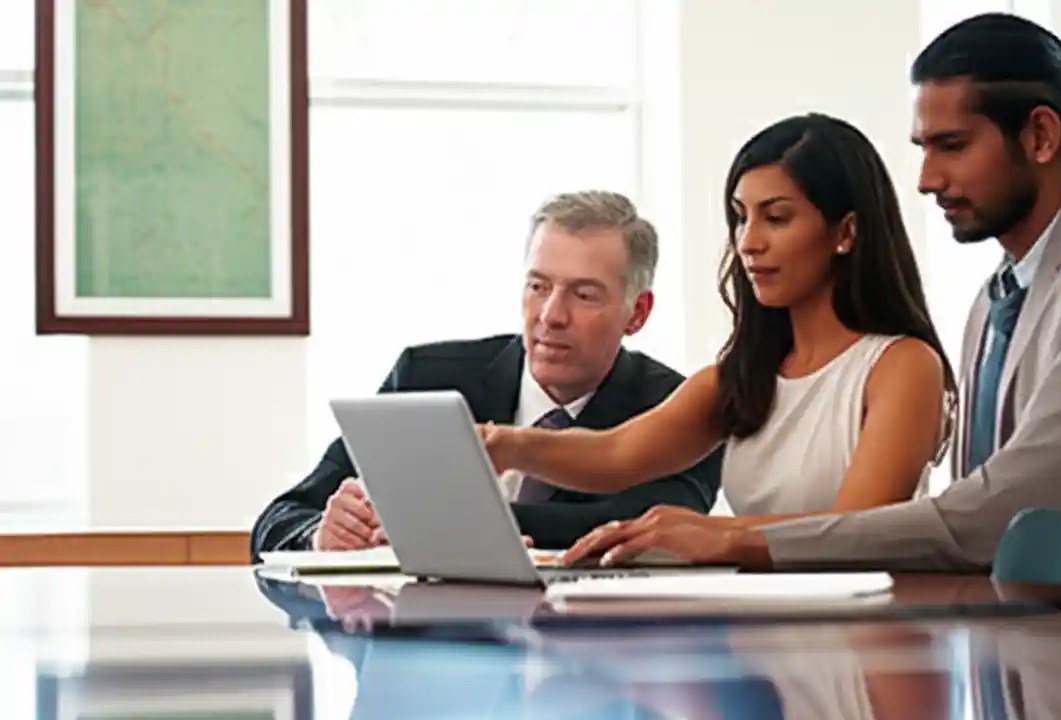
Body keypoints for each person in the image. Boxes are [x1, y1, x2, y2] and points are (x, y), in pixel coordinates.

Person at [555, 13, 1061, 571]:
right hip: (1041, 636)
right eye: (922, 148)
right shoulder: (997, 297)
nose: (924, 179)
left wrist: (734, 539)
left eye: (951, 146)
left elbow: (997, 517)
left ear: (1041, 135)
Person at [481, 112, 957, 565]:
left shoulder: (903, 366)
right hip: (757, 626)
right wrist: (507, 445)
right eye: (740, 217)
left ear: (846, 232)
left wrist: (722, 534)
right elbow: (616, 454)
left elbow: (860, 528)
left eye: (776, 218)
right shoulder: (744, 374)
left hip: (861, 630)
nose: (748, 241)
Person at [249, 191, 723, 560]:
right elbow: (278, 520)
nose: (550, 315)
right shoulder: (427, 377)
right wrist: (322, 534)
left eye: (584, 295)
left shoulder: (678, 407)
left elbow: (641, 524)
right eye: (539, 287)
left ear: (636, 313)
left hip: (597, 656)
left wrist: (432, 526)